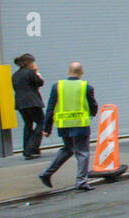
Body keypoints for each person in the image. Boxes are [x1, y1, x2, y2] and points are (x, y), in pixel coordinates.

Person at [39, 62, 99, 192]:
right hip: (80, 124)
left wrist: (46, 128)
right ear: (81, 72)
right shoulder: (86, 86)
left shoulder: (57, 86)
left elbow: (50, 108)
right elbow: (93, 105)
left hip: (63, 125)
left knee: (68, 148)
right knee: (82, 152)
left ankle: (47, 173)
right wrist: (92, 114)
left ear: (69, 71)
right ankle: (81, 181)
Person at [12, 54, 45, 159]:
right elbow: (40, 83)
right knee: (41, 123)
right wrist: (36, 72)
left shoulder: (15, 75)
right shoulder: (30, 73)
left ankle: (27, 148)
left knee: (28, 124)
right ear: (29, 63)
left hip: (20, 103)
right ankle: (30, 148)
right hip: (32, 102)